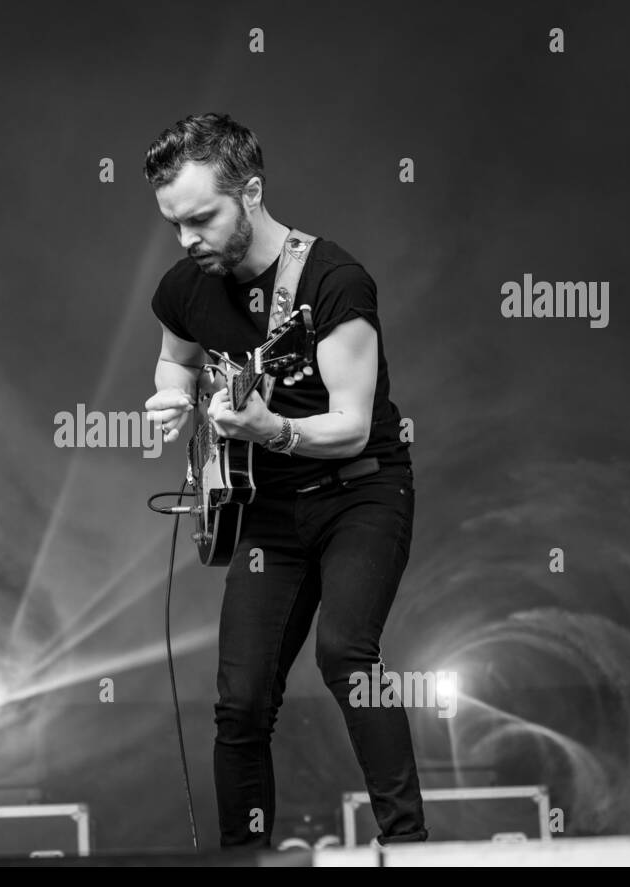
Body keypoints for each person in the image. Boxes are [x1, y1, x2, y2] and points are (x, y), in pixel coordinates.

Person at [141, 113, 427, 848]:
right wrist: (172, 400)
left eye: (201, 218)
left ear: (253, 192)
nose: (186, 239)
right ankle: (246, 861)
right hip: (265, 506)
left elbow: (353, 425)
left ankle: (409, 847)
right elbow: (176, 358)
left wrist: (275, 430)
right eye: (174, 223)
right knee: (239, 703)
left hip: (358, 490)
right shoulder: (187, 285)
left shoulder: (334, 281)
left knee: (345, 654)